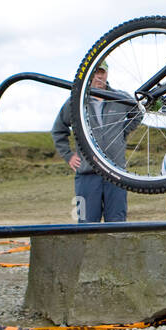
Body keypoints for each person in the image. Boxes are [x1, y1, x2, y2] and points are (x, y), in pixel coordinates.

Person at [50, 61, 140, 222]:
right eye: (95, 72)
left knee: (117, 224)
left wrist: (122, 132)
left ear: (107, 73)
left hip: (116, 175)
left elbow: (138, 112)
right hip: (87, 175)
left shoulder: (120, 98)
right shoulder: (75, 102)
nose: (98, 76)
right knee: (86, 224)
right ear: (89, 75)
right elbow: (58, 129)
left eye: (102, 72)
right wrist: (68, 155)